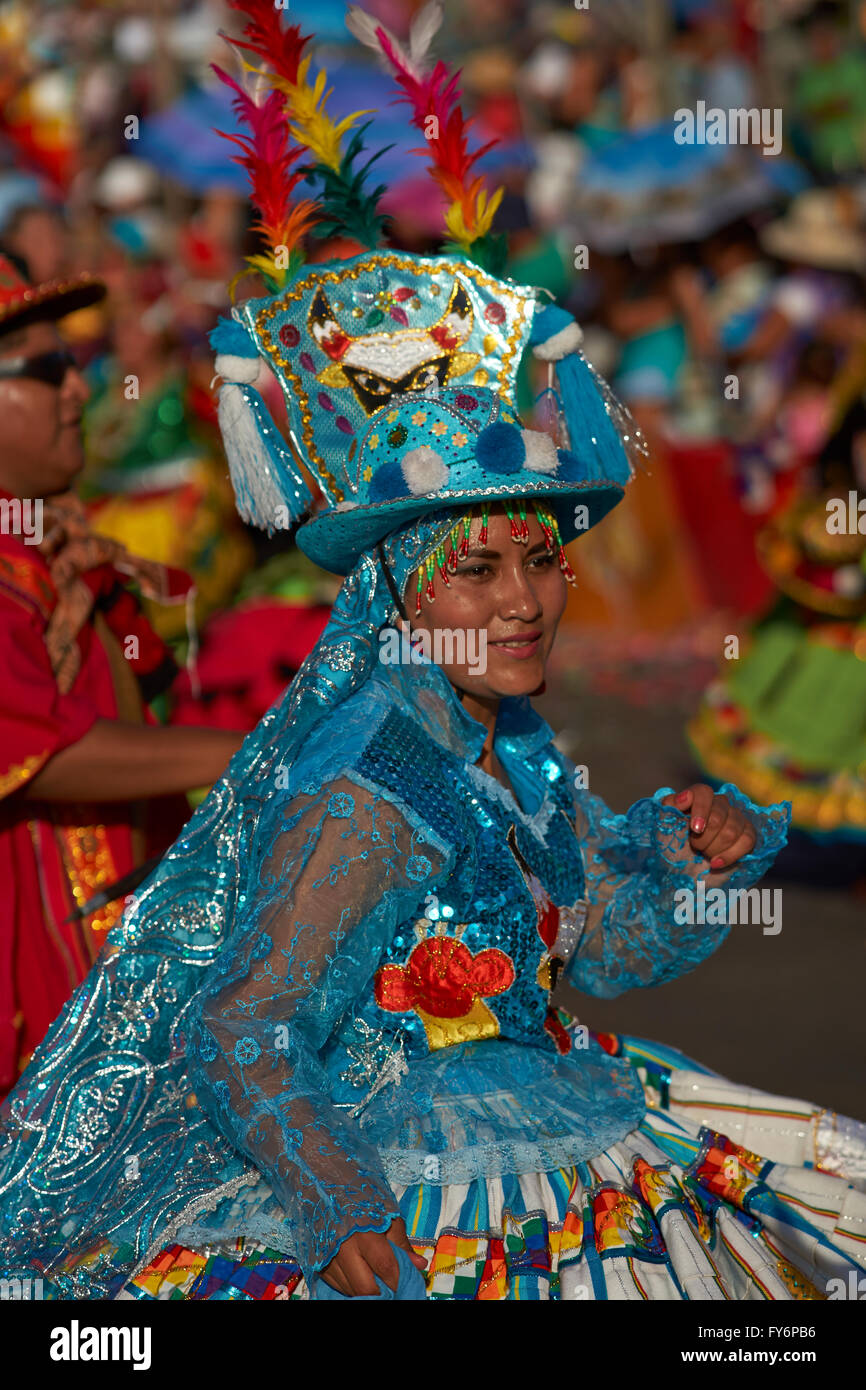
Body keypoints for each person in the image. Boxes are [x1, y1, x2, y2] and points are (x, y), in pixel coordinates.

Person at [0, 0, 863, 1304]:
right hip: (429, 1192)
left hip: (559, 1127)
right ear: (397, 595)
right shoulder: (372, 778)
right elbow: (248, 1027)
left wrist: (691, 857)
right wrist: (342, 1208)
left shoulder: (500, 736)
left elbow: (584, 942)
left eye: (538, 561)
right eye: (473, 567)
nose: (521, 601)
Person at [0, 252, 242, 1097]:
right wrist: (246, 754)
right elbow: (39, 749)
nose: (79, 389)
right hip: (41, 1001)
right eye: (46, 368)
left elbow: (142, 692)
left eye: (76, 363)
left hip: (121, 961)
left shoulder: (50, 554)